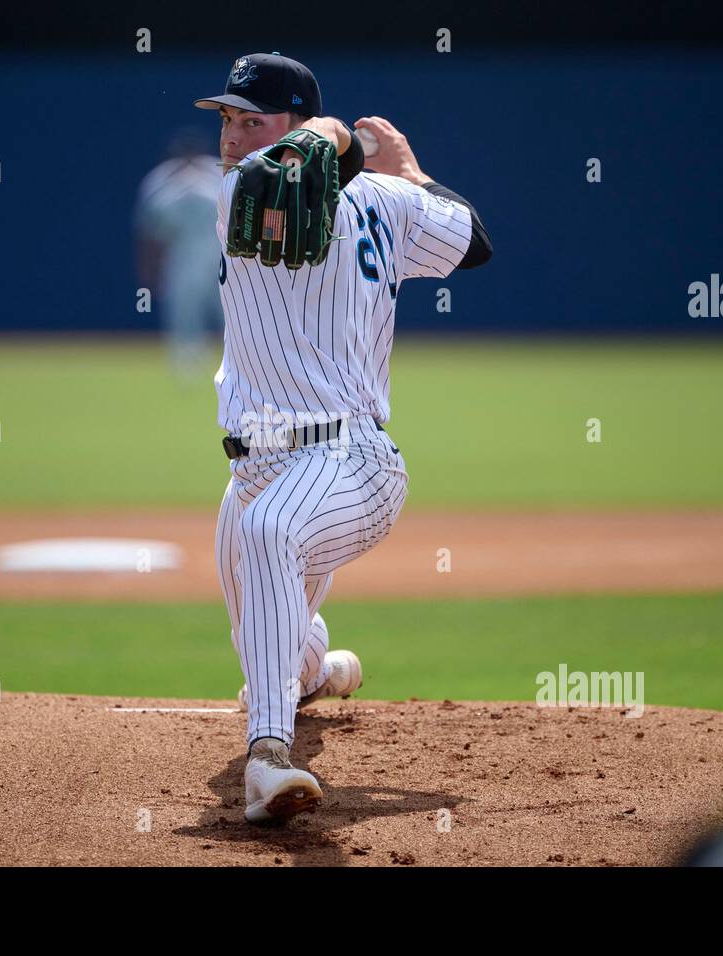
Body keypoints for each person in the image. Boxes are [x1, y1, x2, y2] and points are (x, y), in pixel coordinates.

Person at [194, 52, 493, 824]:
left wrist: (413, 172)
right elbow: (300, 169)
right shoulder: (240, 192)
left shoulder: (381, 200)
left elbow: (474, 243)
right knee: (267, 632)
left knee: (266, 537)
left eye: (251, 121)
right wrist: (354, 150)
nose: (232, 137)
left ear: (295, 127)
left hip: (350, 460)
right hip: (257, 464)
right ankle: (314, 668)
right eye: (227, 118)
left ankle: (268, 755)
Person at [133, 129, 226, 383]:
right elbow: (149, 232)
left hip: (217, 255)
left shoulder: (216, 174)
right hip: (182, 258)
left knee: (229, 313)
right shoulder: (161, 181)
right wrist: (149, 268)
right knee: (184, 314)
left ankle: (236, 363)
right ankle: (187, 367)